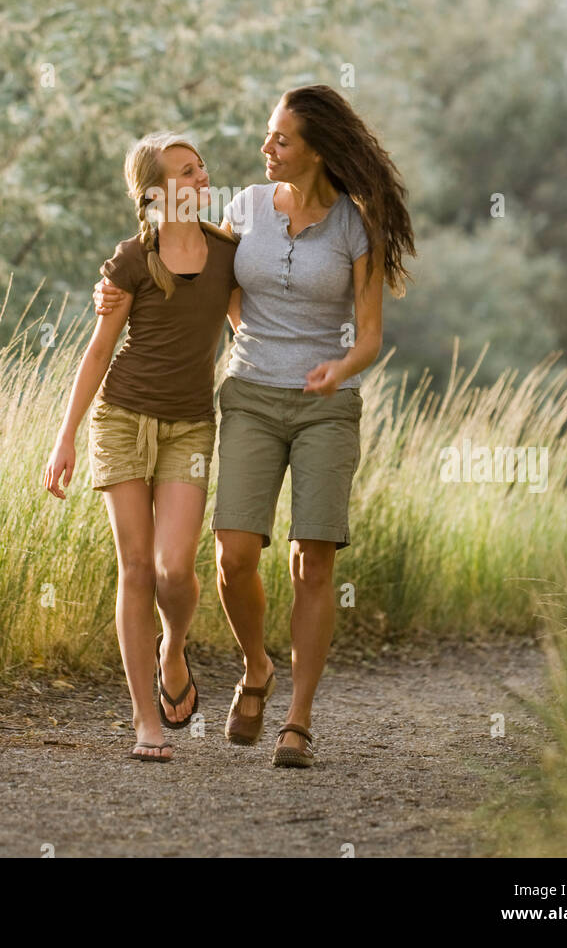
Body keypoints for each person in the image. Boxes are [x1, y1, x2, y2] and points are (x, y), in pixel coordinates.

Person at [95, 86, 415, 767]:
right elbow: (194, 266)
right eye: (269, 136)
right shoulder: (243, 209)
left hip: (328, 404)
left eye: (281, 140)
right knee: (233, 554)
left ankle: (297, 721)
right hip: (250, 395)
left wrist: (337, 369)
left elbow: (369, 336)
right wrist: (117, 284)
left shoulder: (356, 226)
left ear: (316, 150)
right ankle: (256, 666)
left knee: (312, 559)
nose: (266, 149)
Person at [44, 132, 239, 762]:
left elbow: (248, 329)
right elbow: (100, 350)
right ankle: (145, 722)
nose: (201, 177)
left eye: (201, 167)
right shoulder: (131, 260)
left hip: (189, 426)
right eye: (187, 171)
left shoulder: (227, 254)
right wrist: (64, 435)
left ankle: (172, 648)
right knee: (134, 569)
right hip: (121, 419)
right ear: (155, 192)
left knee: (174, 569)